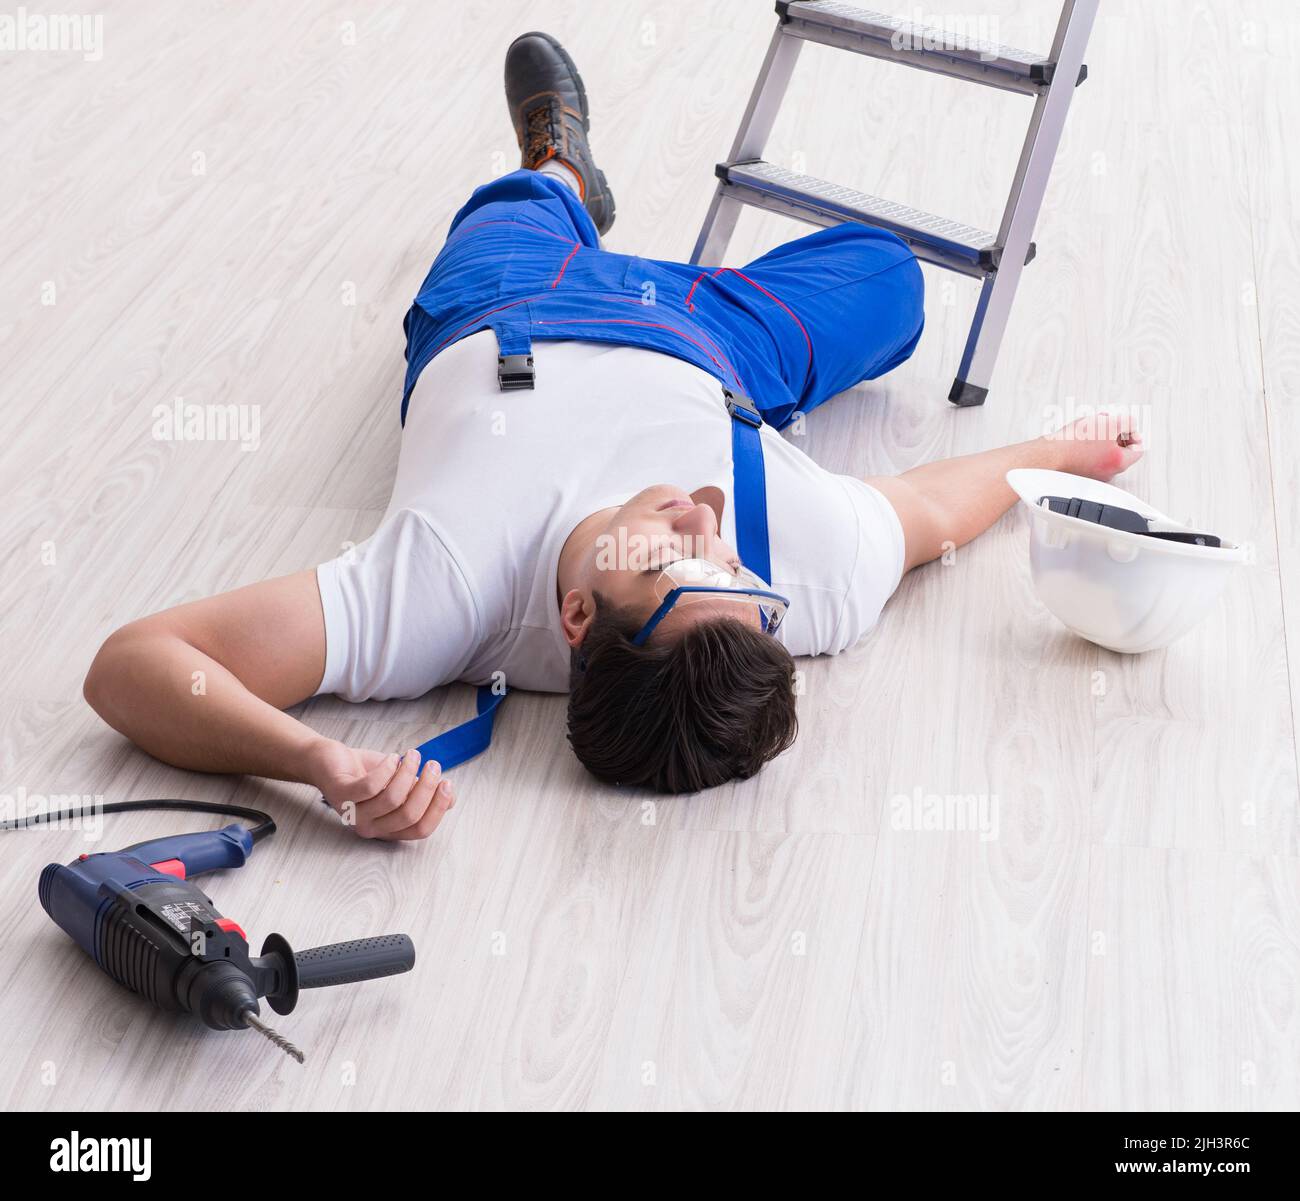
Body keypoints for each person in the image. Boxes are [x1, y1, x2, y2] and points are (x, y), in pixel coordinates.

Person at [83, 32, 1142, 839]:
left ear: (576, 613)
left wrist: (318, 761)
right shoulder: (806, 579)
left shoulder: (444, 591)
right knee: (889, 280)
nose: (710, 518)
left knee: (513, 208)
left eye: (676, 556)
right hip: (707, 342)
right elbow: (923, 509)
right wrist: (1054, 455)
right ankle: (689, 272)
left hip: (513, 307)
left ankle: (562, 177)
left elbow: (134, 664)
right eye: (730, 559)